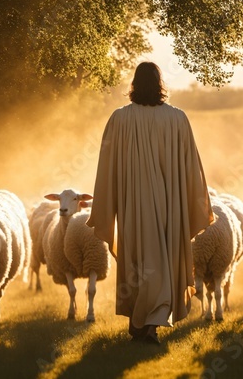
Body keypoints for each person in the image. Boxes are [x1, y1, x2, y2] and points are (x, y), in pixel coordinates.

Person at [88, 62, 213, 344]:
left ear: (134, 84)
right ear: (160, 85)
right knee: (163, 259)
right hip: (171, 206)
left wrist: (109, 205)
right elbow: (192, 168)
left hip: (133, 206)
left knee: (138, 260)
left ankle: (144, 322)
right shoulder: (177, 118)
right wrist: (193, 205)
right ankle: (150, 322)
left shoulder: (120, 119)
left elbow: (106, 168)